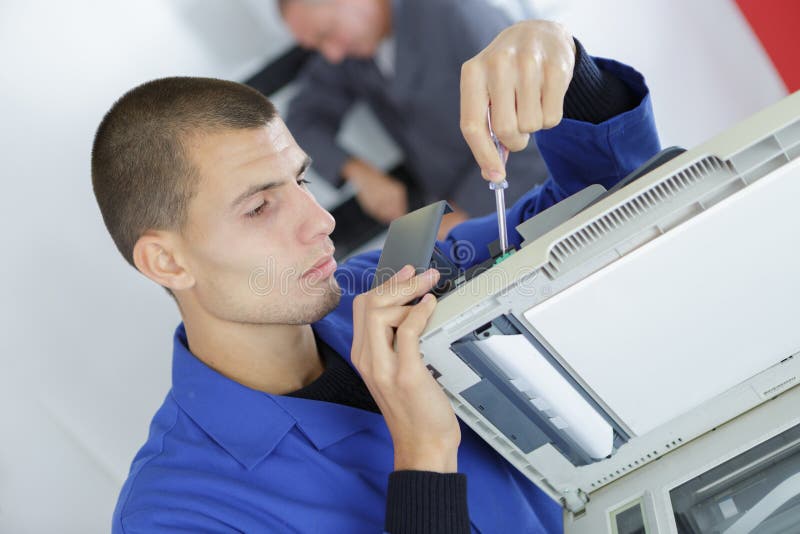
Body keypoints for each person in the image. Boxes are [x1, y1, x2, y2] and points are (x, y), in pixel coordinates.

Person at [96, 20, 658, 534]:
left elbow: (614, 211)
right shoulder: (174, 515)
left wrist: (571, 73)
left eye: (301, 182)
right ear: (166, 262)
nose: (322, 222)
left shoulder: (389, 280)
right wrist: (424, 458)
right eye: (260, 208)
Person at [278, 0, 551, 236]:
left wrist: (464, 217)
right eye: (317, 46)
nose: (332, 54)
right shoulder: (348, 57)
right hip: (459, 217)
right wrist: (355, 171)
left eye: (327, 34)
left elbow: (530, 130)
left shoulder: (454, 12)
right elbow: (301, 122)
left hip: (535, 201)